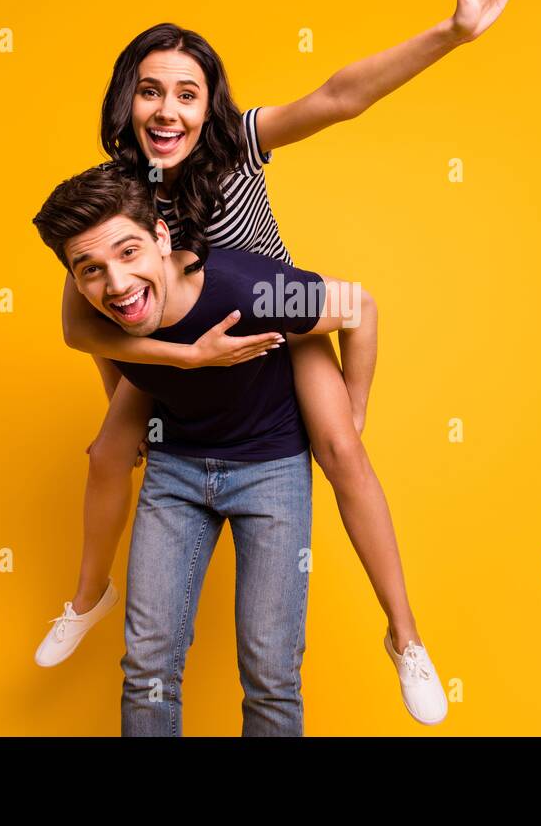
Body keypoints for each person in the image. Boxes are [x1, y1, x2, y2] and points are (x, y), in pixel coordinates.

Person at [35, 0, 527, 726]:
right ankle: (90, 594)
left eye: (188, 94)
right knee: (107, 451)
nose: (168, 110)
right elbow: (82, 326)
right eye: (151, 91)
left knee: (341, 451)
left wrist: (452, 32)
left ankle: (405, 640)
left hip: (280, 322)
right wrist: (179, 365)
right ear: (126, 100)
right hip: (183, 347)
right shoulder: (111, 193)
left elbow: (338, 98)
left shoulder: (235, 146)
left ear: (209, 105)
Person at [33, 163, 382, 735]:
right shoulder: (103, 305)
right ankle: (88, 597)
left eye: (127, 254)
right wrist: (170, 380)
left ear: (161, 238)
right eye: (91, 269)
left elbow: (359, 306)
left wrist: (354, 408)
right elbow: (102, 347)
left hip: (271, 469)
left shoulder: (248, 287)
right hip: (175, 468)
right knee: (147, 665)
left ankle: (406, 636)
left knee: (272, 674)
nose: (116, 283)